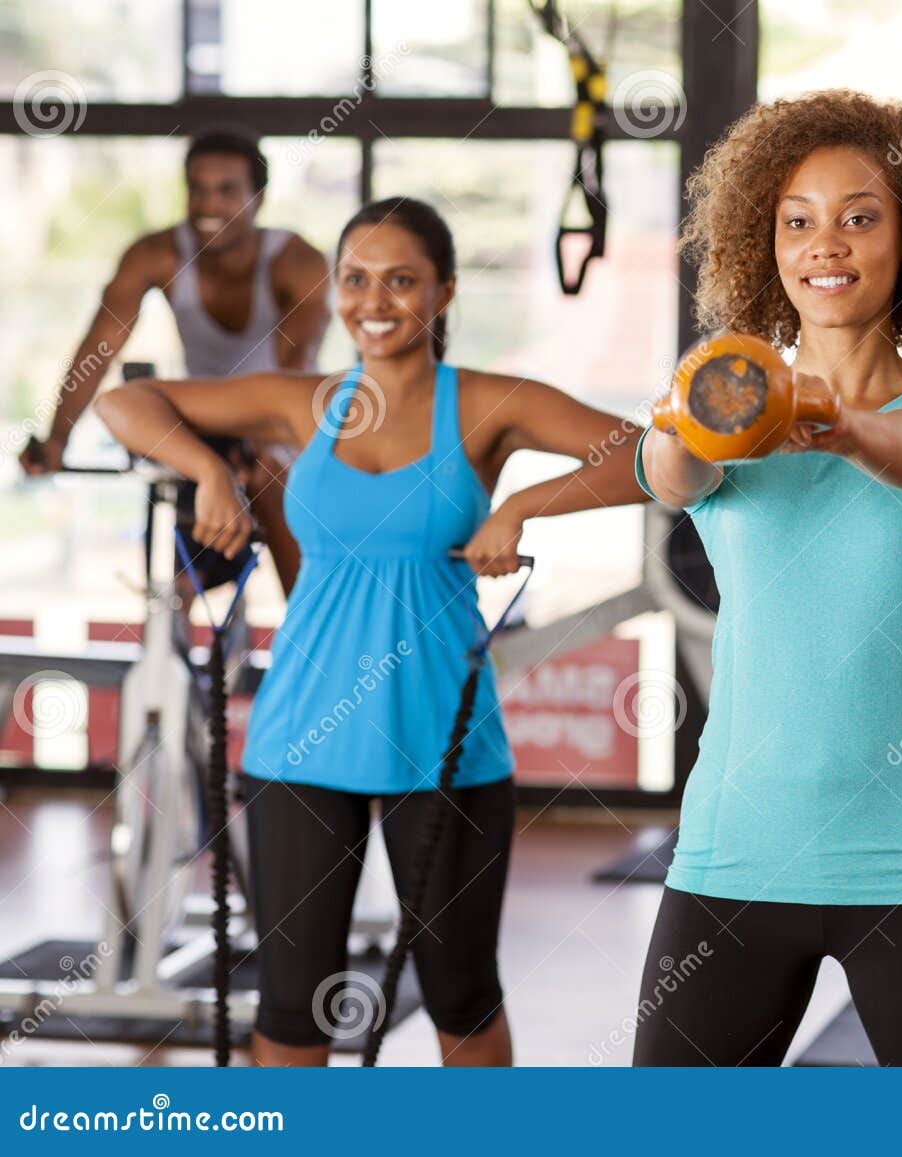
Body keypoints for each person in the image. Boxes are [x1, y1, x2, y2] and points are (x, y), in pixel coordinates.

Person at [96, 197, 647, 1066]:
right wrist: (205, 467)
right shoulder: (304, 403)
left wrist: (525, 503)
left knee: (462, 994)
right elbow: (129, 403)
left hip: (447, 744)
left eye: (401, 279)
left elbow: (645, 455)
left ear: (444, 291)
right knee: (290, 1008)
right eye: (355, 279)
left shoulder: (487, 405)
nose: (373, 299)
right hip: (301, 742)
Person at [633, 89, 902, 1066]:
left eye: (860, 217)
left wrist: (844, 425)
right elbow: (668, 472)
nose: (828, 243)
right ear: (764, 243)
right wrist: (705, 413)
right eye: (799, 221)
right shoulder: (725, 403)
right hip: (737, 850)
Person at [23, 127, 330, 593]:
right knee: (183, 545)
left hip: (270, 418)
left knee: (270, 474)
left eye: (227, 191)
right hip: (197, 413)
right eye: (198, 190)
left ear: (259, 198)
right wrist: (58, 436)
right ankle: (177, 622)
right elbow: (100, 347)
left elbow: (295, 368)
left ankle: (310, 623)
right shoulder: (156, 254)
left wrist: (254, 448)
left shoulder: (297, 260)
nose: (209, 206)